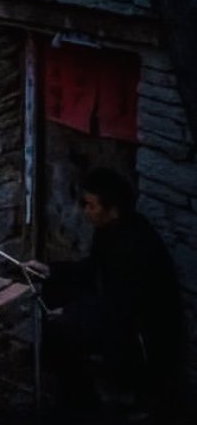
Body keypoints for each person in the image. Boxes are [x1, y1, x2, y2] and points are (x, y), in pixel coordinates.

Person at [28, 166, 188, 421]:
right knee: (54, 290)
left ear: (112, 210)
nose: (85, 211)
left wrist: (71, 313)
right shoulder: (110, 231)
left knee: (64, 327)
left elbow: (121, 307)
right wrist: (50, 270)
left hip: (142, 335)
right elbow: (93, 269)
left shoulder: (134, 248)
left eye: (91, 205)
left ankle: (87, 402)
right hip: (119, 312)